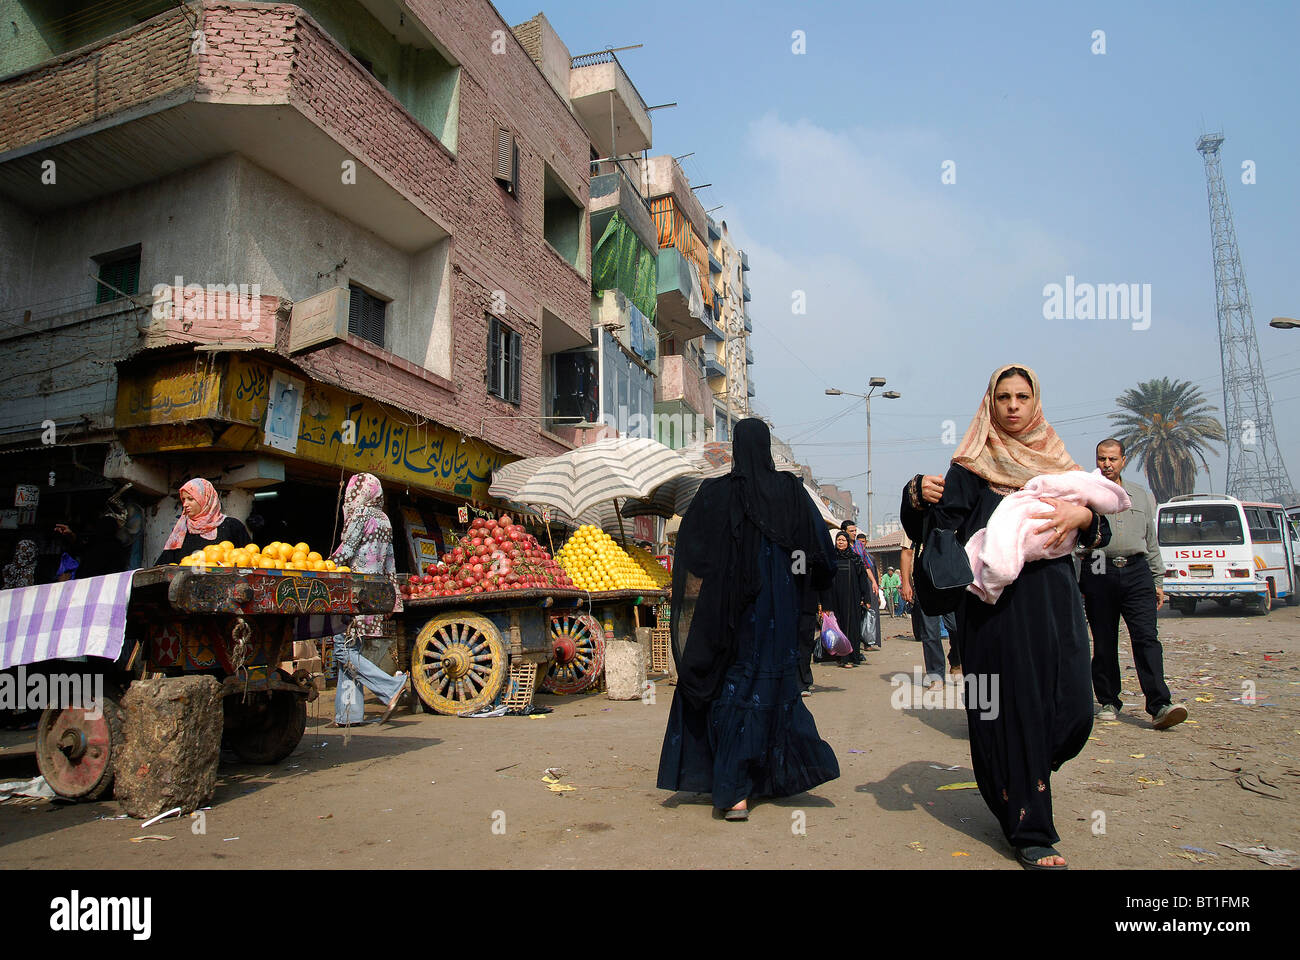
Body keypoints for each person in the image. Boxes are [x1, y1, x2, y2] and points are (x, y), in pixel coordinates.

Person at [901, 364, 1109, 870]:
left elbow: (1097, 531)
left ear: (1035, 401)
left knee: (1076, 707)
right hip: (994, 610)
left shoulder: (1059, 463)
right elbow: (938, 530)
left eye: (1021, 396)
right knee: (1009, 712)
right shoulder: (970, 467)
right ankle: (1031, 830)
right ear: (990, 404)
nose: (1013, 405)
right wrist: (915, 496)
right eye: (1003, 397)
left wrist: (1083, 516)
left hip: (1055, 601)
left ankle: (1021, 775)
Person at [658, 417, 839, 821]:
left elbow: (692, 553)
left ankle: (735, 790)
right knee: (769, 687)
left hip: (729, 613)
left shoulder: (715, 492)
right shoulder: (791, 492)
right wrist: (794, 577)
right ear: (768, 450)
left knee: (733, 686)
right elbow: (819, 554)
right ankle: (758, 780)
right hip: (779, 612)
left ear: (738, 449)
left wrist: (727, 570)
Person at [1080, 438, 1188, 730]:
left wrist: (1158, 580)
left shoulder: (1141, 495)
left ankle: (1159, 705)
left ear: (1123, 461)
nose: (1107, 465)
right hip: (1099, 570)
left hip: (1137, 572)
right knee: (1103, 641)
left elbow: (1151, 541)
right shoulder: (1085, 496)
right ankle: (1108, 701)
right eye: (1102, 459)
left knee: (1146, 638)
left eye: (1113, 459)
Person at [329, 473, 407, 727]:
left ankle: (390, 686)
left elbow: (347, 550)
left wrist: (322, 567)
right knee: (351, 652)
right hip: (373, 595)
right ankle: (348, 714)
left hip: (352, 594)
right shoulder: (384, 519)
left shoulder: (361, 514)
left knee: (343, 650)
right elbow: (390, 561)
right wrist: (393, 597)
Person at [899, 533, 961, 691]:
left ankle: (956, 661)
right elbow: (907, 553)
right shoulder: (914, 519)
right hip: (924, 581)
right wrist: (906, 583)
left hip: (951, 580)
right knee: (930, 631)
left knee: (956, 627)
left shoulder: (952, 515)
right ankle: (936, 676)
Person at [155, 479, 250, 565]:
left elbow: (251, 559)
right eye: (183, 499)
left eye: (190, 499)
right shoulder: (181, 531)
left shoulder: (232, 526)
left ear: (206, 499)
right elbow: (164, 563)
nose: (185, 504)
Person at [820, 530, 873, 666]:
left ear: (848, 542)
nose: (841, 542)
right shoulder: (831, 559)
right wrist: (824, 604)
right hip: (835, 600)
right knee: (838, 627)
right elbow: (825, 581)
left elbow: (863, 579)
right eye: (839, 540)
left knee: (852, 627)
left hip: (852, 599)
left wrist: (866, 598)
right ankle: (842, 658)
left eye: (843, 540)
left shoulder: (855, 558)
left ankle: (853, 656)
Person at [843, 522, 879, 647]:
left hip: (860, 584)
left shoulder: (858, 545)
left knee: (860, 613)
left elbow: (867, 565)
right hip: (845, 585)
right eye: (851, 531)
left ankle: (858, 644)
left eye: (855, 531)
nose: (854, 533)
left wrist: (874, 582)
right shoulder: (840, 545)